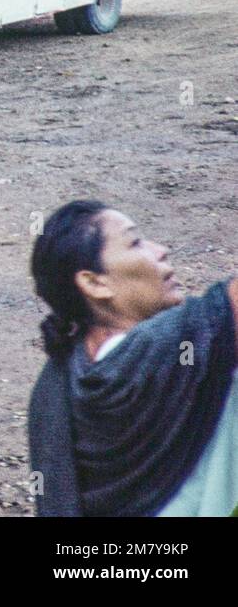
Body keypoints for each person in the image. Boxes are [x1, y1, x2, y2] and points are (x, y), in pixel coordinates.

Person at [27, 200, 237, 517]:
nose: (161, 250)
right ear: (94, 283)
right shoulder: (154, 352)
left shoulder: (65, 373)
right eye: (136, 242)